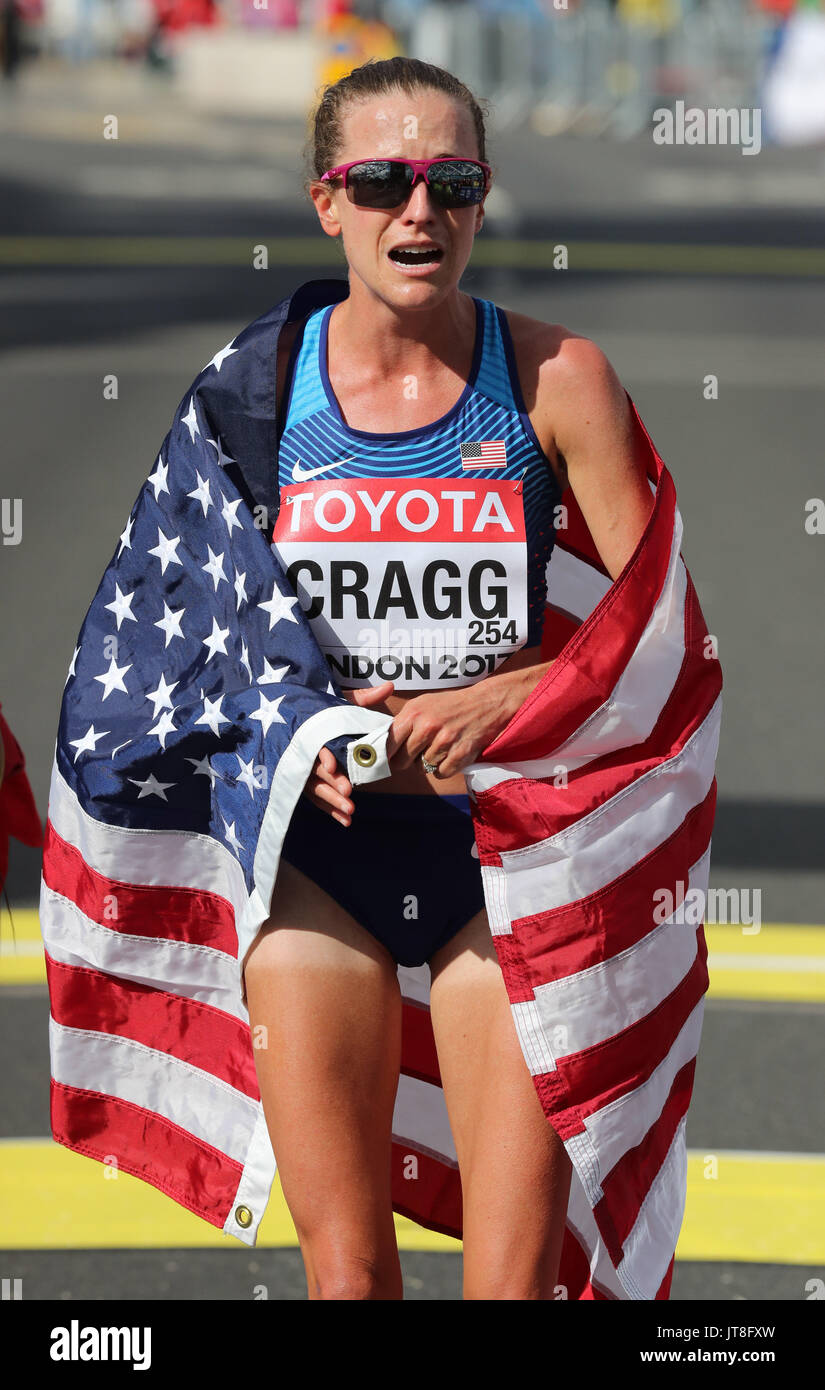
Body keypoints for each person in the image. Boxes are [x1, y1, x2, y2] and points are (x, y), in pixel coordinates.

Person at [242, 55, 656, 1301]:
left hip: (507, 856)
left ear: (483, 199)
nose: (417, 210)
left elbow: (661, 642)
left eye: (451, 180)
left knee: (510, 1280)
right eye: (380, 180)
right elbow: (185, 638)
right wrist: (286, 734)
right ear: (328, 203)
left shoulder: (558, 378)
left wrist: (508, 699)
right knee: (350, 1278)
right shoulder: (255, 387)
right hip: (326, 860)